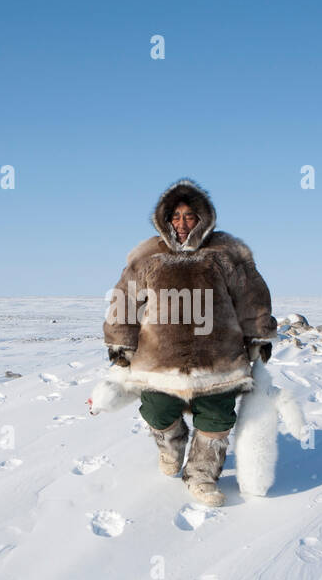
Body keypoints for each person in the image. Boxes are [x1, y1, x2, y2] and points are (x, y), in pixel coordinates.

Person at [103, 177, 277, 505]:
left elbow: (252, 297)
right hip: (159, 359)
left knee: (217, 418)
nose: (182, 224)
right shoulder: (147, 255)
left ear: (203, 219)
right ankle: (173, 443)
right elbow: (124, 300)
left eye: (189, 216)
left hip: (219, 358)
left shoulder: (227, 252)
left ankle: (200, 476)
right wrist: (120, 343)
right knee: (156, 410)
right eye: (176, 217)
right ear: (166, 220)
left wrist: (258, 335)